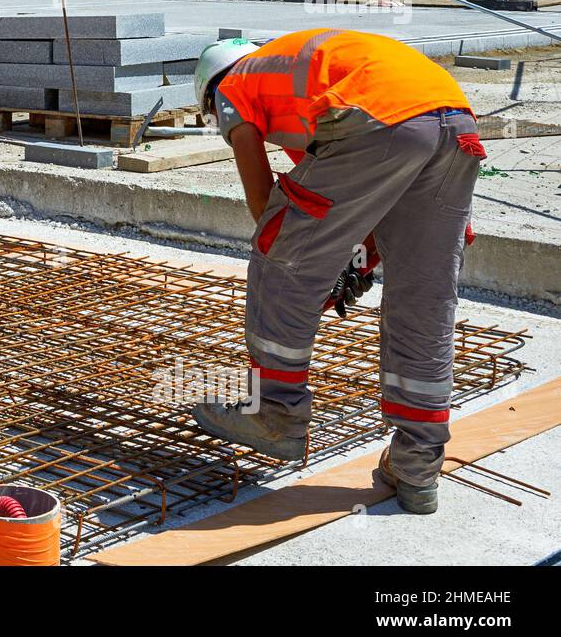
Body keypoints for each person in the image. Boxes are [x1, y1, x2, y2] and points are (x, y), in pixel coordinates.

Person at [189, 30, 483, 515]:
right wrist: (356, 259)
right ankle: (418, 463)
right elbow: (344, 203)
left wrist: (304, 266)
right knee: (424, 296)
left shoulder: (234, 86)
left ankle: (274, 412)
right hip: (455, 126)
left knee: (276, 254)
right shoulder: (308, 80)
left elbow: (266, 204)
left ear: (209, 89)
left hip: (382, 122)